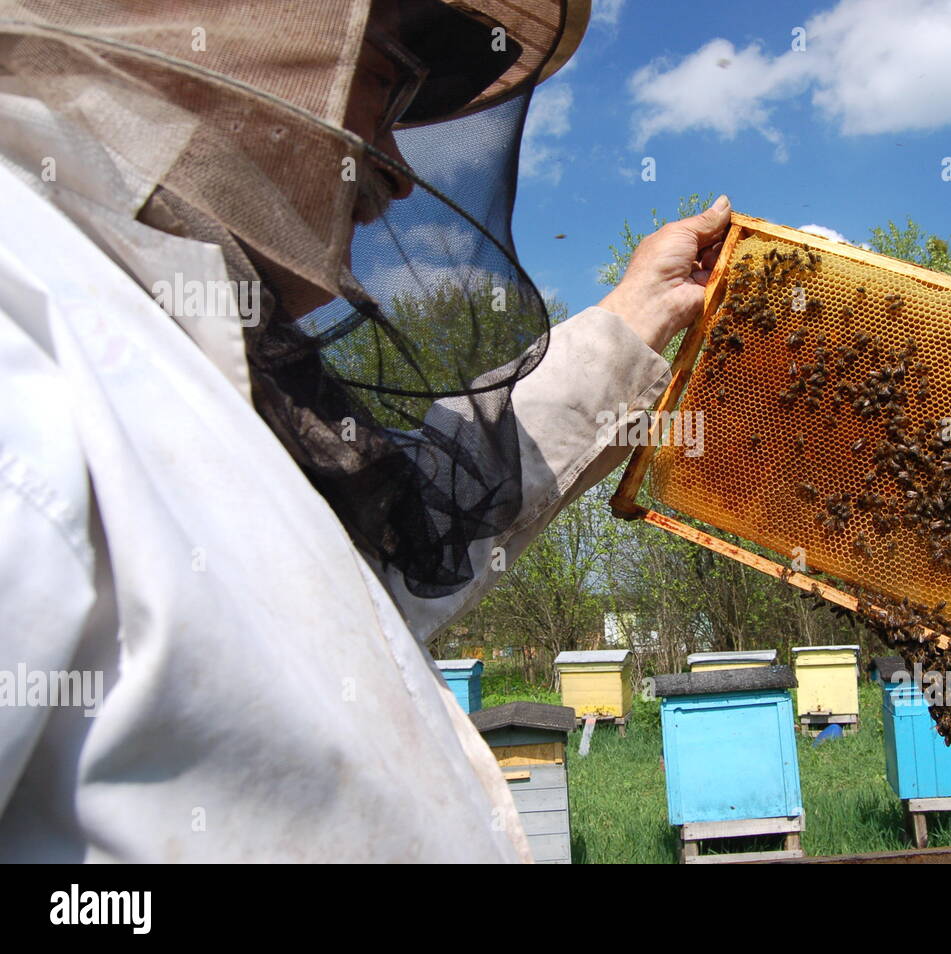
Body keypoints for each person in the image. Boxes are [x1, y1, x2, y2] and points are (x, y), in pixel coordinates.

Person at [0, 0, 729, 861]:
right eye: (382, 85)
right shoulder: (30, 336)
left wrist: (632, 322)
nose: (403, 175)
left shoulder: (189, 358)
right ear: (241, 29)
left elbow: (409, 547)